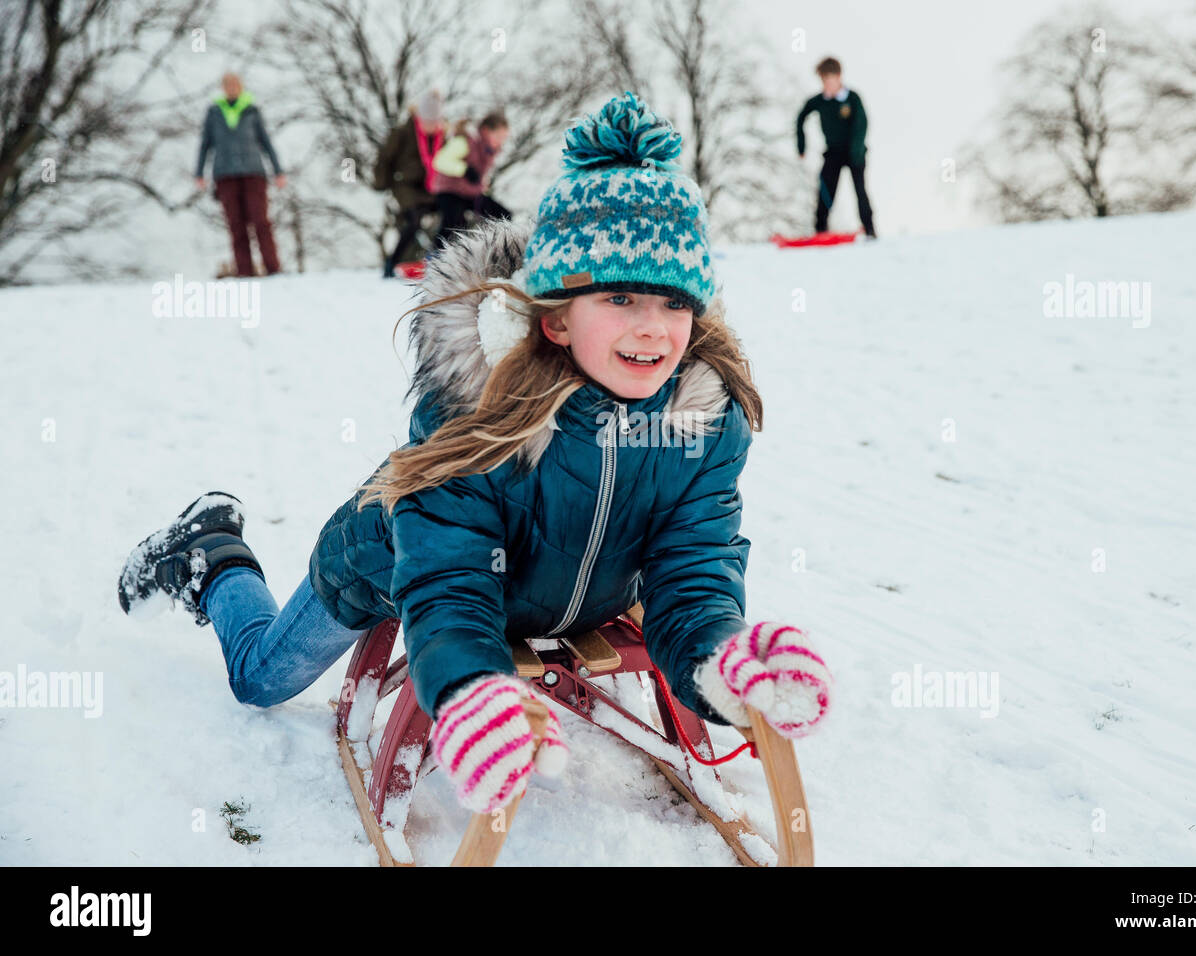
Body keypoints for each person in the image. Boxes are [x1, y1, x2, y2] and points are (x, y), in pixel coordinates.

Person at [118, 92, 832, 816]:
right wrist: (468, 687)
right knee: (262, 679)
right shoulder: (479, 411)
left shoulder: (699, 424)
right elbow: (451, 581)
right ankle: (212, 554)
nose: (654, 328)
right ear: (555, 319)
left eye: (676, 303)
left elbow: (692, 566)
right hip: (391, 558)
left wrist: (721, 658)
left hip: (559, 596)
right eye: (620, 299)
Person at [195, 73, 286, 276]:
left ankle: (273, 268)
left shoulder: (252, 111)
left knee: (260, 221)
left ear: (241, 86)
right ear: (223, 88)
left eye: (235, 84)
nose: (232, 87)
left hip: (253, 172)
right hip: (225, 174)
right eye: (228, 84)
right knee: (236, 224)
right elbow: (205, 145)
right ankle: (244, 271)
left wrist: (278, 170)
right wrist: (199, 173)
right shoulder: (214, 112)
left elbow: (266, 142)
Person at [796, 57, 875, 237]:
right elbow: (801, 117)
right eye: (823, 81)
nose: (827, 86)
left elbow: (861, 125)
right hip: (833, 152)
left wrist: (855, 151)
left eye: (829, 81)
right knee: (825, 189)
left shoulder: (852, 98)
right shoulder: (820, 101)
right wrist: (801, 145)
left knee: (860, 191)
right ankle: (820, 230)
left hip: (855, 153)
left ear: (839, 77)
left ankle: (870, 229)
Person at [375, 90, 448, 278]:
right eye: (428, 122)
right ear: (420, 117)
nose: (432, 126)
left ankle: (438, 259)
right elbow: (385, 158)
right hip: (404, 185)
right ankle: (393, 261)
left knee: (450, 211)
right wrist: (382, 184)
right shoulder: (402, 133)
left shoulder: (442, 135)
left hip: (431, 186)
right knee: (414, 219)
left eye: (435, 122)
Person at [428, 111, 512, 251]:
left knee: (502, 215)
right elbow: (439, 161)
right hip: (448, 190)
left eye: (504, 137)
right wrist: (464, 169)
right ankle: (433, 257)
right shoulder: (466, 141)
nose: (501, 141)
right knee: (454, 222)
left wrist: (482, 184)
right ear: (485, 131)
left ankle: (499, 251)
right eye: (498, 136)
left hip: (469, 193)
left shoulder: (487, 150)